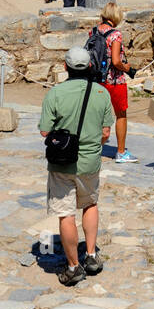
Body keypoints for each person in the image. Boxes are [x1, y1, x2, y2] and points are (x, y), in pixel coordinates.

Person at [39, 46, 114, 286]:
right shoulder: (101, 93)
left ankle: (73, 267)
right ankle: (91, 255)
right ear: (90, 66)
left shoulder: (55, 93)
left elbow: (45, 131)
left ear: (65, 67)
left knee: (66, 213)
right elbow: (105, 132)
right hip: (90, 161)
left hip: (62, 163)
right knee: (90, 203)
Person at [89, 1, 138, 163]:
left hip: (97, 79)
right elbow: (116, 61)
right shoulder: (115, 35)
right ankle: (121, 152)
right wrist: (127, 68)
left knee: (97, 115)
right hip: (115, 80)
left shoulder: (93, 31)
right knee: (121, 114)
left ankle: (92, 147)